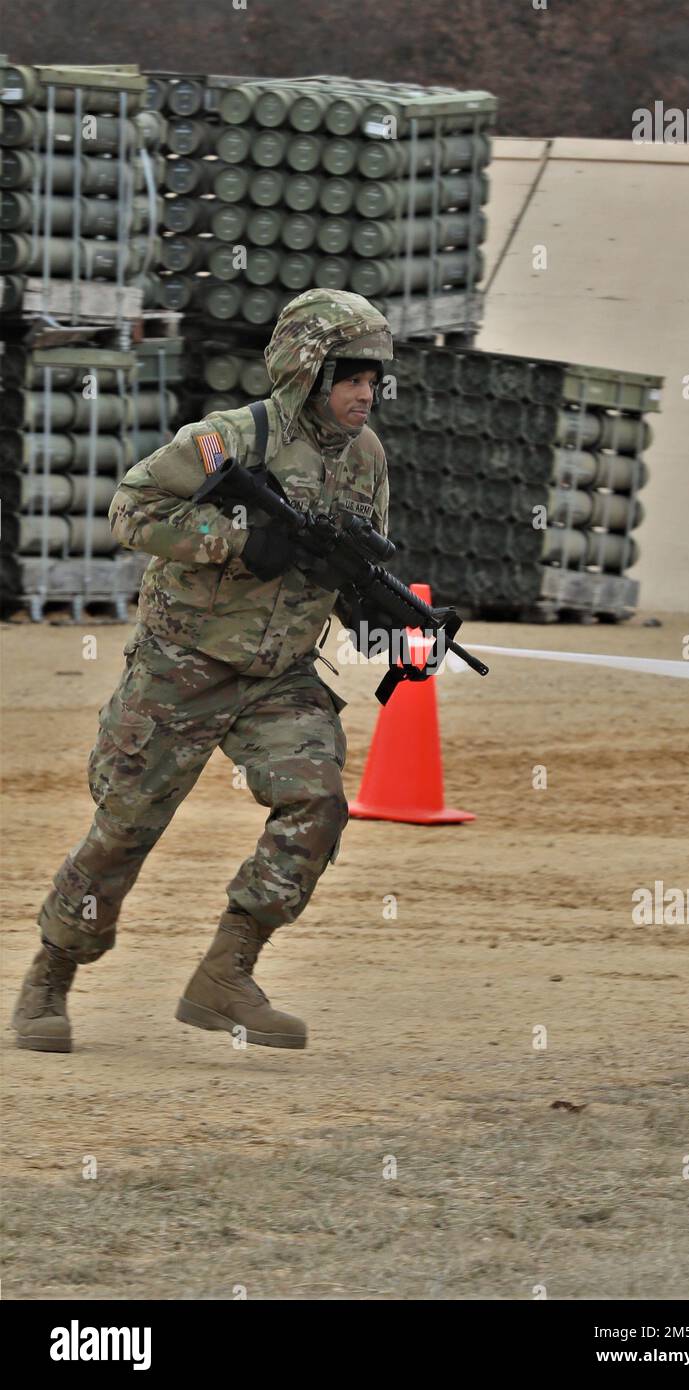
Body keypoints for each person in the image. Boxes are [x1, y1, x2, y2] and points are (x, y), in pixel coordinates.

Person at [11, 288, 396, 1055]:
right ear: (309, 372)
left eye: (373, 380)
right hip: (182, 666)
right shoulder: (232, 438)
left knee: (315, 805)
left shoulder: (366, 459)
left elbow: (357, 564)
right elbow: (133, 508)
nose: (366, 394)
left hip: (279, 673)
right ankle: (51, 974)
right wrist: (234, 541)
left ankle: (226, 971)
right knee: (123, 831)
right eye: (350, 377)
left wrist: (384, 625)